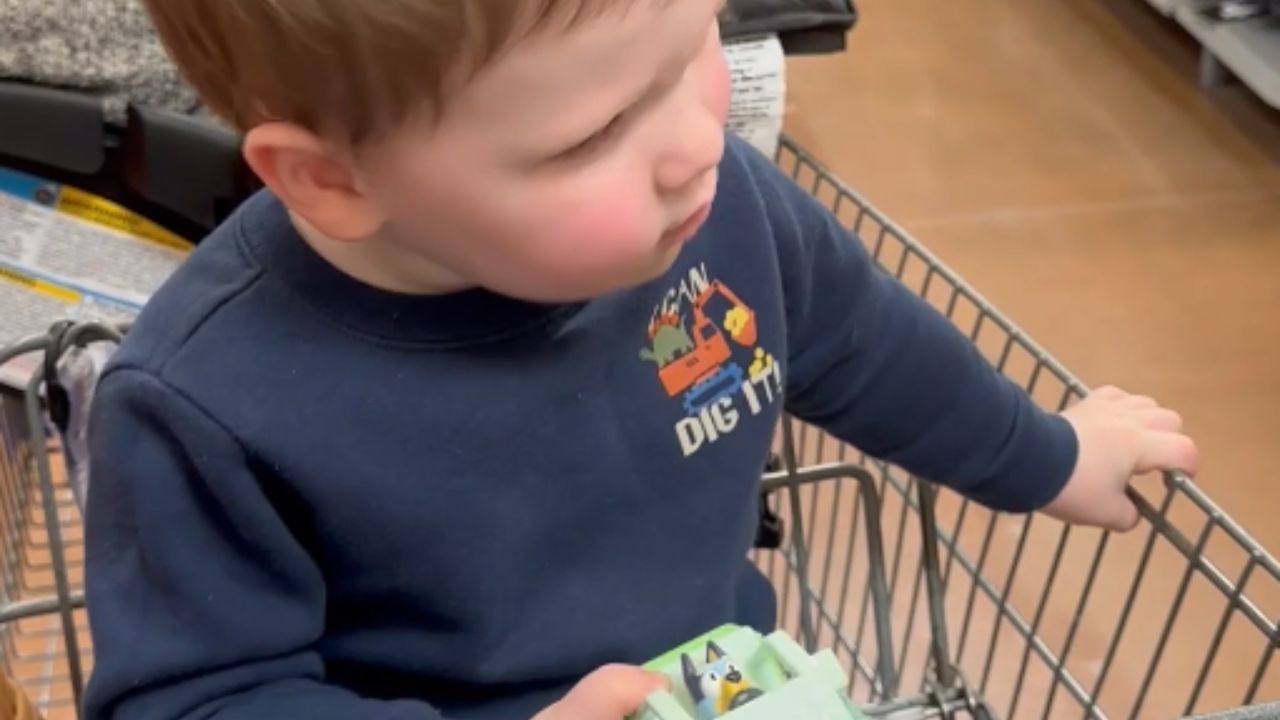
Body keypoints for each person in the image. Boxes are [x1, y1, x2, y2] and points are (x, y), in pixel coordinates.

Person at [82, 2, 1199, 719]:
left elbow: (861, 338)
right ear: (331, 179)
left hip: (718, 682)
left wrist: (1045, 455)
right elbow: (198, 701)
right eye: (589, 136)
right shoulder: (207, 406)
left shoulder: (722, 210)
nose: (695, 143)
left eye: (696, 38)